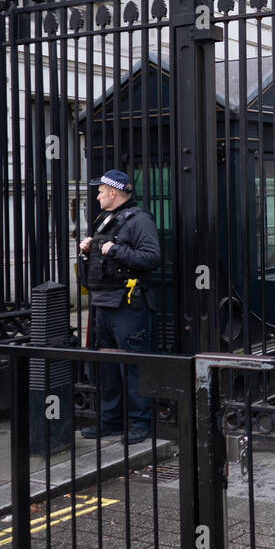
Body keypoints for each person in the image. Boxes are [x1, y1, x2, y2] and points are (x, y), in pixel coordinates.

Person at [78, 169, 161, 443]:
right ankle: (110, 421)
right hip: (103, 304)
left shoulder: (139, 220)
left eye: (101, 190)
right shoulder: (104, 220)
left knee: (135, 365)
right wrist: (86, 250)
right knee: (108, 366)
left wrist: (114, 250)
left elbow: (151, 258)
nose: (98, 195)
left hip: (128, 306)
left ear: (113, 192)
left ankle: (141, 424)